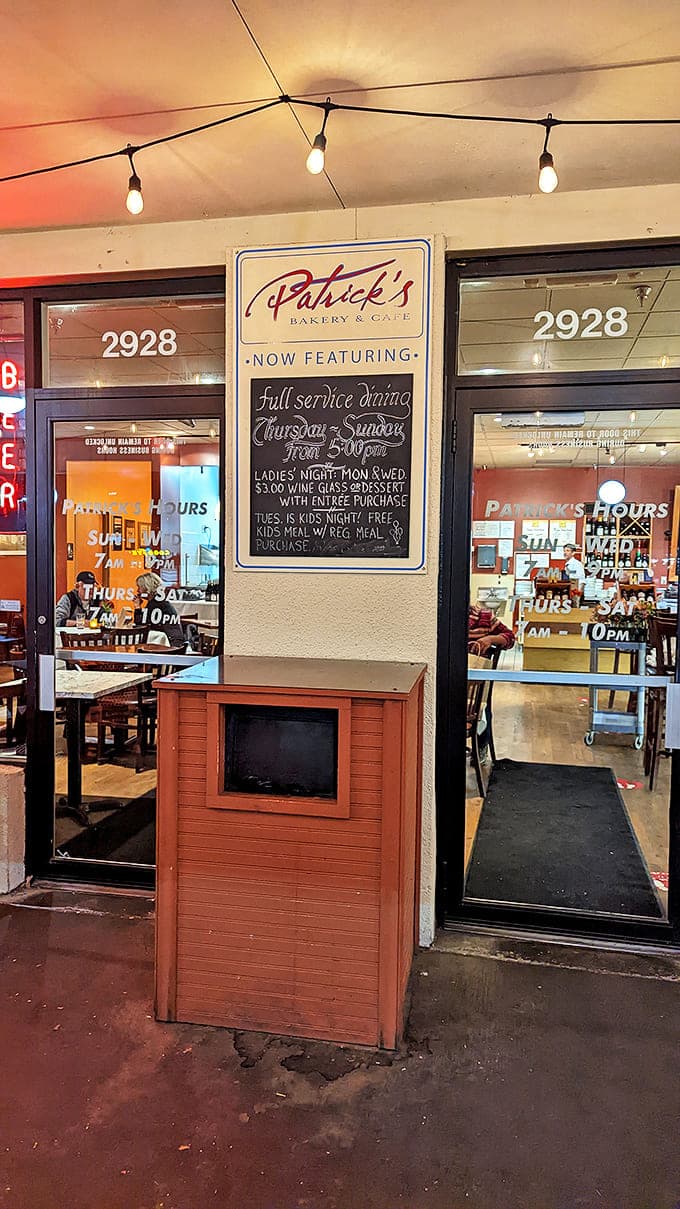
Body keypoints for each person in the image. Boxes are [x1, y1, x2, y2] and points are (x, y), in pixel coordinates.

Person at [133, 571, 185, 647]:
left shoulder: (156, 604)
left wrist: (137, 607)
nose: (138, 591)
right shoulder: (159, 602)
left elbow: (141, 627)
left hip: (169, 644)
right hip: (173, 642)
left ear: (147, 588)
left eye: (139, 587)